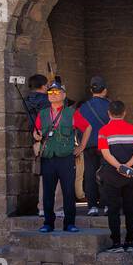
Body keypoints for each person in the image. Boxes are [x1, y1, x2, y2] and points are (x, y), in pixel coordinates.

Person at [33, 80, 87, 233]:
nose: (52, 95)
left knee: (68, 191)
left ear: (63, 95)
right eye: (50, 92)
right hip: (48, 157)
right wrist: (36, 136)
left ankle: (69, 223)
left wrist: (81, 146)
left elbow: (87, 127)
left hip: (66, 157)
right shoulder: (42, 113)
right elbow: (36, 131)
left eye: (56, 92)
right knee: (48, 192)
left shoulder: (71, 113)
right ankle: (48, 223)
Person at [97, 100, 133, 249]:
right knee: (130, 209)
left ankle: (116, 242)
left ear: (109, 114)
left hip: (111, 174)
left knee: (113, 209)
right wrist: (127, 166)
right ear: (124, 113)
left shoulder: (104, 131)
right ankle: (129, 242)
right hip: (130, 175)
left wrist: (119, 166)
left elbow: (106, 153)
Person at [77, 76, 112, 216]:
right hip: (106, 145)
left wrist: (81, 143)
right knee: (107, 174)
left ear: (91, 90)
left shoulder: (83, 107)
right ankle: (106, 204)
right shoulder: (111, 105)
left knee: (90, 175)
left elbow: (79, 127)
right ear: (105, 90)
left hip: (89, 144)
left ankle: (92, 206)